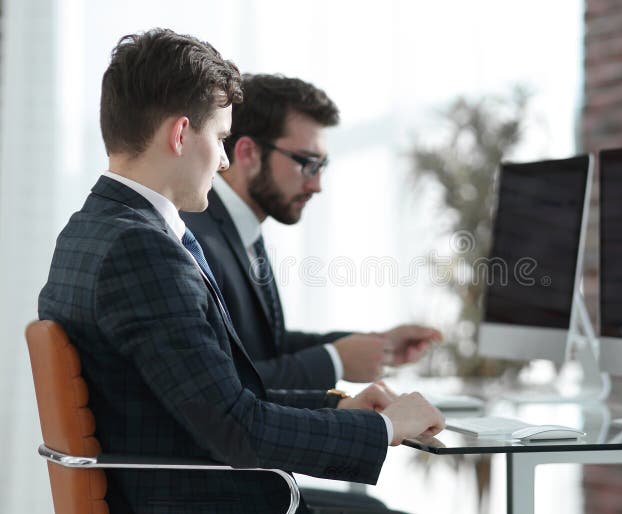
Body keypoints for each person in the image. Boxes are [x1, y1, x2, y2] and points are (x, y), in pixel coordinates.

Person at [38, 28, 444, 514]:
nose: (225, 159)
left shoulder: (88, 230)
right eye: (220, 138)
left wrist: (336, 404)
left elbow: (214, 392)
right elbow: (238, 427)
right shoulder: (142, 249)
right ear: (181, 134)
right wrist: (384, 428)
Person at [181, 73, 441, 513]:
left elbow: (261, 345)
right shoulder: (199, 239)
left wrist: (372, 345)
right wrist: (335, 361)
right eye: (307, 163)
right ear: (248, 153)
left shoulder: (239, 229)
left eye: (323, 166)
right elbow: (236, 384)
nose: (317, 184)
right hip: (227, 488)